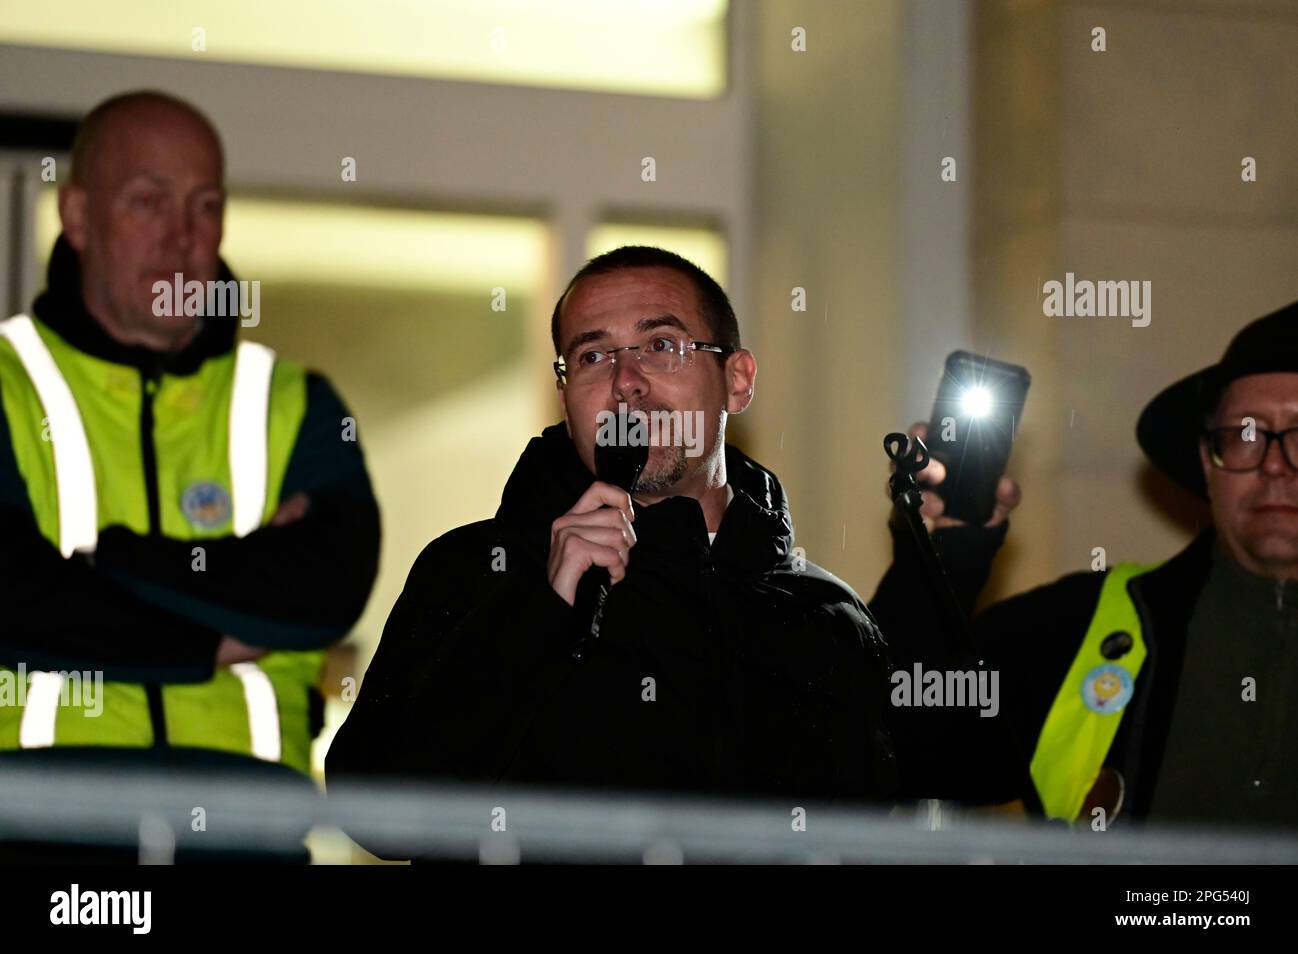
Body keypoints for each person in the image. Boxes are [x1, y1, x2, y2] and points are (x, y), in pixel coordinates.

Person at [327, 246, 898, 860]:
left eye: (662, 345)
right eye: (593, 356)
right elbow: (374, 814)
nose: (626, 382)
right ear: (565, 396)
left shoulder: (821, 614)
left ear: (737, 380)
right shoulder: (473, 571)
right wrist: (537, 612)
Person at [0, 91, 380, 857]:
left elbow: (327, 585)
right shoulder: (7, 382)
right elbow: (13, 594)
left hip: (248, 835)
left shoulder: (293, 402)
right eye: (149, 201)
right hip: (40, 827)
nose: (183, 236)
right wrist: (213, 634)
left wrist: (105, 562)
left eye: (207, 205)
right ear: (76, 217)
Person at [871, 300, 1298, 829]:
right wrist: (938, 563)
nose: (1277, 465)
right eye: (1246, 434)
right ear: (1206, 462)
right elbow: (891, 750)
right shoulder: (1082, 625)